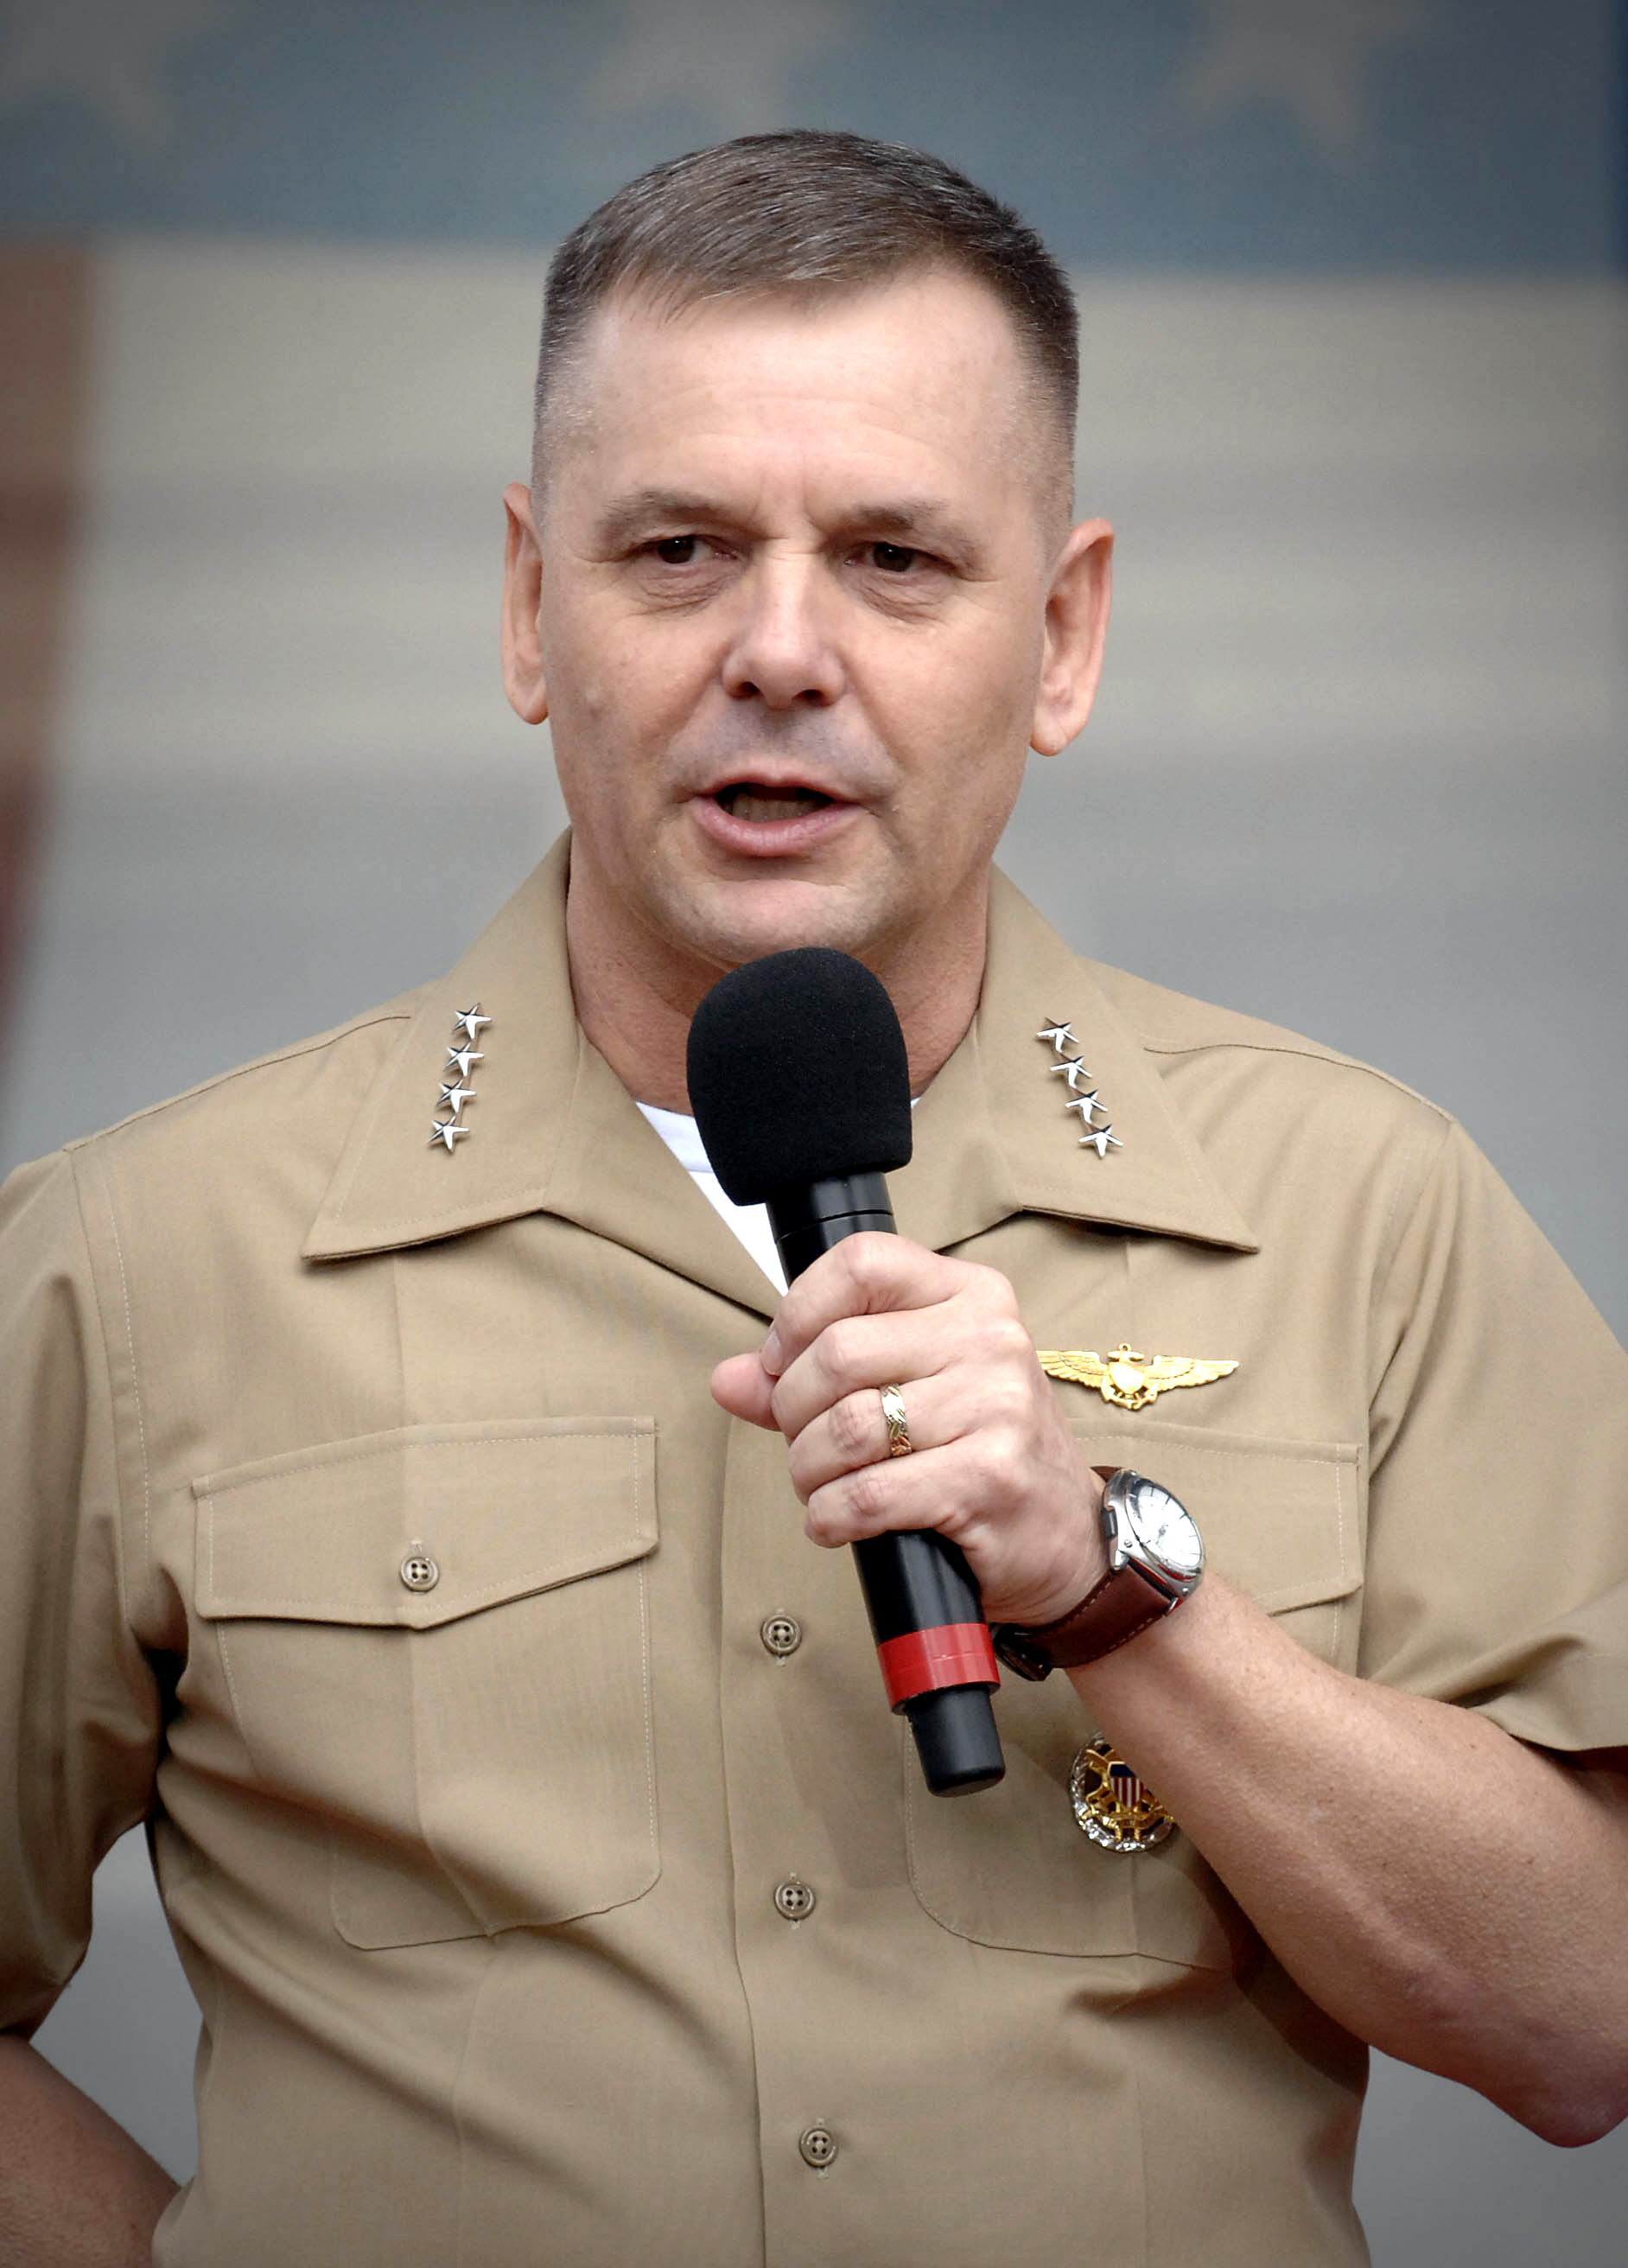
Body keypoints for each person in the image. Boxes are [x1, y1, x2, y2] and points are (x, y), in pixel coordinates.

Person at [2, 130, 1625, 2268]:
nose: (780, 648)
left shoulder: (1368, 1207)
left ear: (1061, 634)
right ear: (526, 605)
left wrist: (1119, 1583)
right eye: (676, 549)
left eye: (893, 558)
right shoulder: (133, 1257)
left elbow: (1581, 2026)